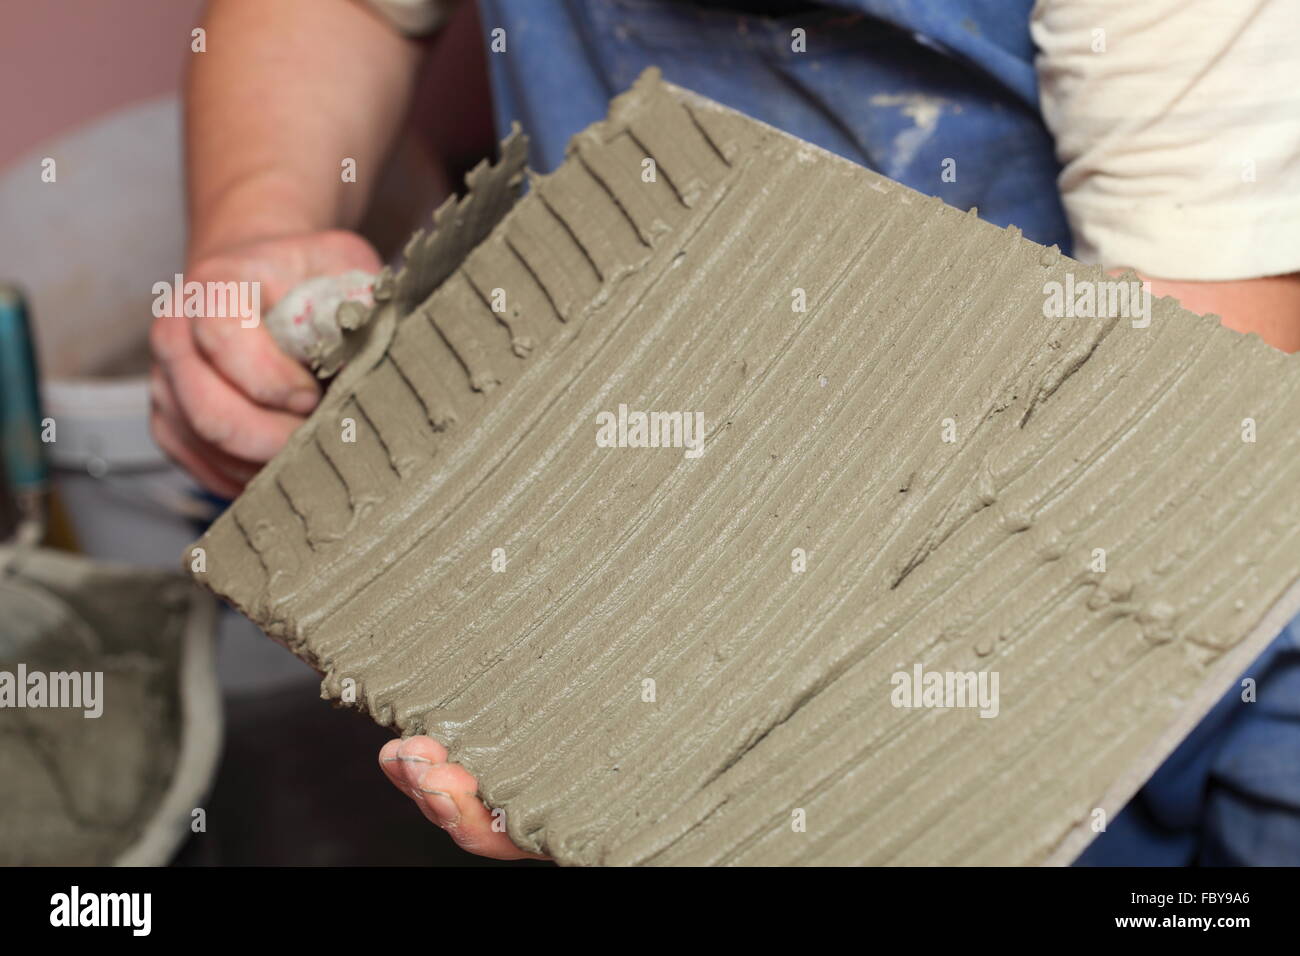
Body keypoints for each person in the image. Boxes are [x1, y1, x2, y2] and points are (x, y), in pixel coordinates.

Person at [151, 0, 1300, 863]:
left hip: (1100, 602)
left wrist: (727, 794)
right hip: (656, 524)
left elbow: (1169, 450)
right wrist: (258, 219)